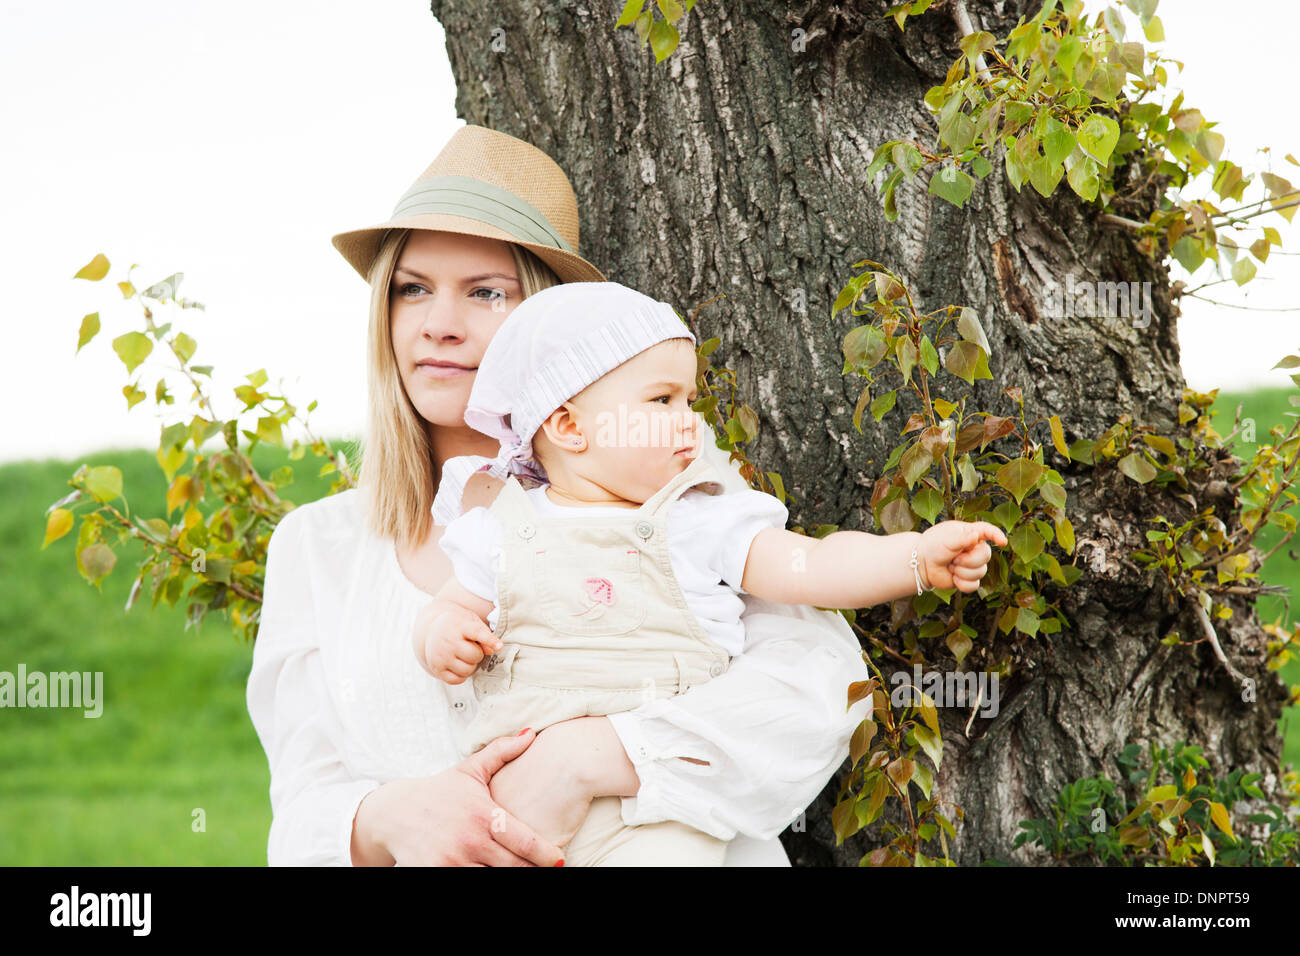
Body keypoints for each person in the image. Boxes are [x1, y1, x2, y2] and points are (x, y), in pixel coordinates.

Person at [244, 125, 940, 866]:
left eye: (486, 293)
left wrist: (583, 760)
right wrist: (385, 819)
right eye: (413, 288)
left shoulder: (672, 492)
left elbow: (816, 688)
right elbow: (301, 813)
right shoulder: (318, 548)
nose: (439, 326)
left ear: (551, 321)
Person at [418, 280, 1007, 866]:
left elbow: (811, 566)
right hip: (514, 804)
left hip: (650, 810)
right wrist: (441, 635)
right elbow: (447, 607)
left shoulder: (696, 519)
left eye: (688, 400)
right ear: (570, 428)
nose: (688, 423)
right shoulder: (501, 527)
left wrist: (914, 559)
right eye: (661, 401)